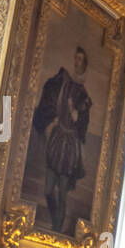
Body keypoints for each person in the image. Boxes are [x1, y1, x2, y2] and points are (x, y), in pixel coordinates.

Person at [32, 46, 93, 232]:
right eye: (75, 58)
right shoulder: (63, 82)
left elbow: (83, 119)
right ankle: (55, 220)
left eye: (80, 59)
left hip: (70, 145)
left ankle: (58, 228)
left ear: (84, 64)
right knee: (48, 190)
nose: (76, 62)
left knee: (63, 192)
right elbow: (54, 100)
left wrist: (76, 114)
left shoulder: (83, 95)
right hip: (58, 138)